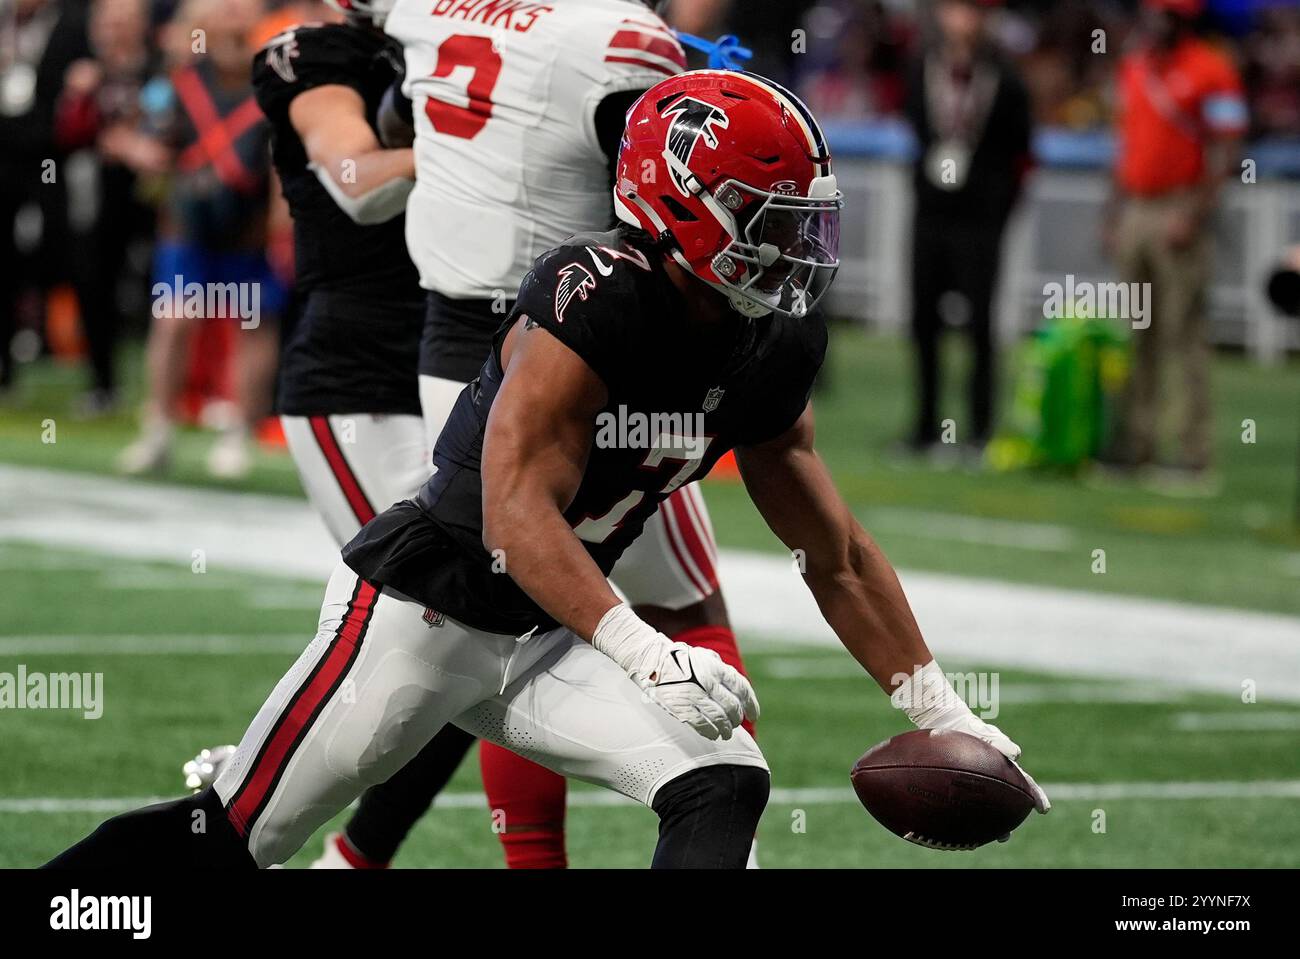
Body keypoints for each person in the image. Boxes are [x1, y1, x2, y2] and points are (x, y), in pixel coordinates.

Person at [46, 69, 1047, 870]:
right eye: (768, 216)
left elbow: (834, 551)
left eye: (802, 219)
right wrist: (642, 646)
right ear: (683, 201)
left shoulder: (772, 341)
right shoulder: (589, 294)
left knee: (723, 777)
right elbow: (510, 509)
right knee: (236, 835)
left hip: (542, 628)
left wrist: (937, 706)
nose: (794, 246)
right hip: (423, 610)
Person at [323, 0, 755, 870]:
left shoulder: (424, 14)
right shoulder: (613, 36)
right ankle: (727, 845)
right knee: (683, 602)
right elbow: (675, 176)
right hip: (589, 339)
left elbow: (396, 120)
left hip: (456, 357)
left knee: (499, 627)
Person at [116, 0, 286, 479]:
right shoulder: (178, 80)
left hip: (248, 229)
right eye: (224, 8)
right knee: (173, 320)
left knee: (252, 324)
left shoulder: (271, 81)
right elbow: (139, 135)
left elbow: (281, 158)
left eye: (242, 9)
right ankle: (157, 429)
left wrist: (280, 219)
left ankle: (238, 432)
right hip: (188, 226)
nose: (234, 16)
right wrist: (142, 154)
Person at [1103, 0, 1246, 490]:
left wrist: (1195, 211)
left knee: (1184, 332)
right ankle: (1135, 442)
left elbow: (1227, 150)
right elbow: (1126, 142)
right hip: (1138, 206)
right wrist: (1114, 214)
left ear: (1183, 21)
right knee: (1136, 327)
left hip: (1179, 206)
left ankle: (1191, 451)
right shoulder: (1135, 65)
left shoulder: (1212, 70)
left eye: (1164, 14)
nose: (1153, 22)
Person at [901, 0, 1032, 458]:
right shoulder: (923, 68)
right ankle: (924, 428)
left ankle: (978, 431)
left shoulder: (1005, 78)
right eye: (956, 9)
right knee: (923, 321)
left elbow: (1022, 151)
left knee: (980, 325)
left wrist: (998, 210)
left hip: (980, 221)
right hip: (931, 214)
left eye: (974, 11)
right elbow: (916, 131)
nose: (963, 21)